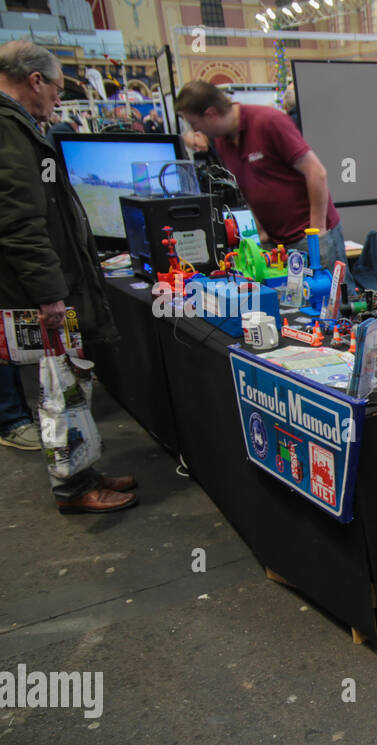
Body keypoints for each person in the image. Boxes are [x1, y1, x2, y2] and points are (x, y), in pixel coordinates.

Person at [0, 40, 136, 513]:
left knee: (70, 384)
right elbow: (20, 225)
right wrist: (50, 295)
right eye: (57, 88)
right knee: (54, 389)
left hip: (46, 290)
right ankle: (73, 487)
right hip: (38, 297)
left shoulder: (19, 127)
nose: (59, 98)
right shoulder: (8, 130)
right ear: (35, 80)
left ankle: (83, 468)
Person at [175, 81, 348, 281]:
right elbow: (249, 186)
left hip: (310, 238)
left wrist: (316, 232)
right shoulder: (222, 141)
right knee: (295, 307)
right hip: (276, 244)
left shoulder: (268, 122)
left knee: (333, 301)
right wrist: (261, 231)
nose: (196, 131)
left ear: (211, 113)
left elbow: (316, 172)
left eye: (195, 124)